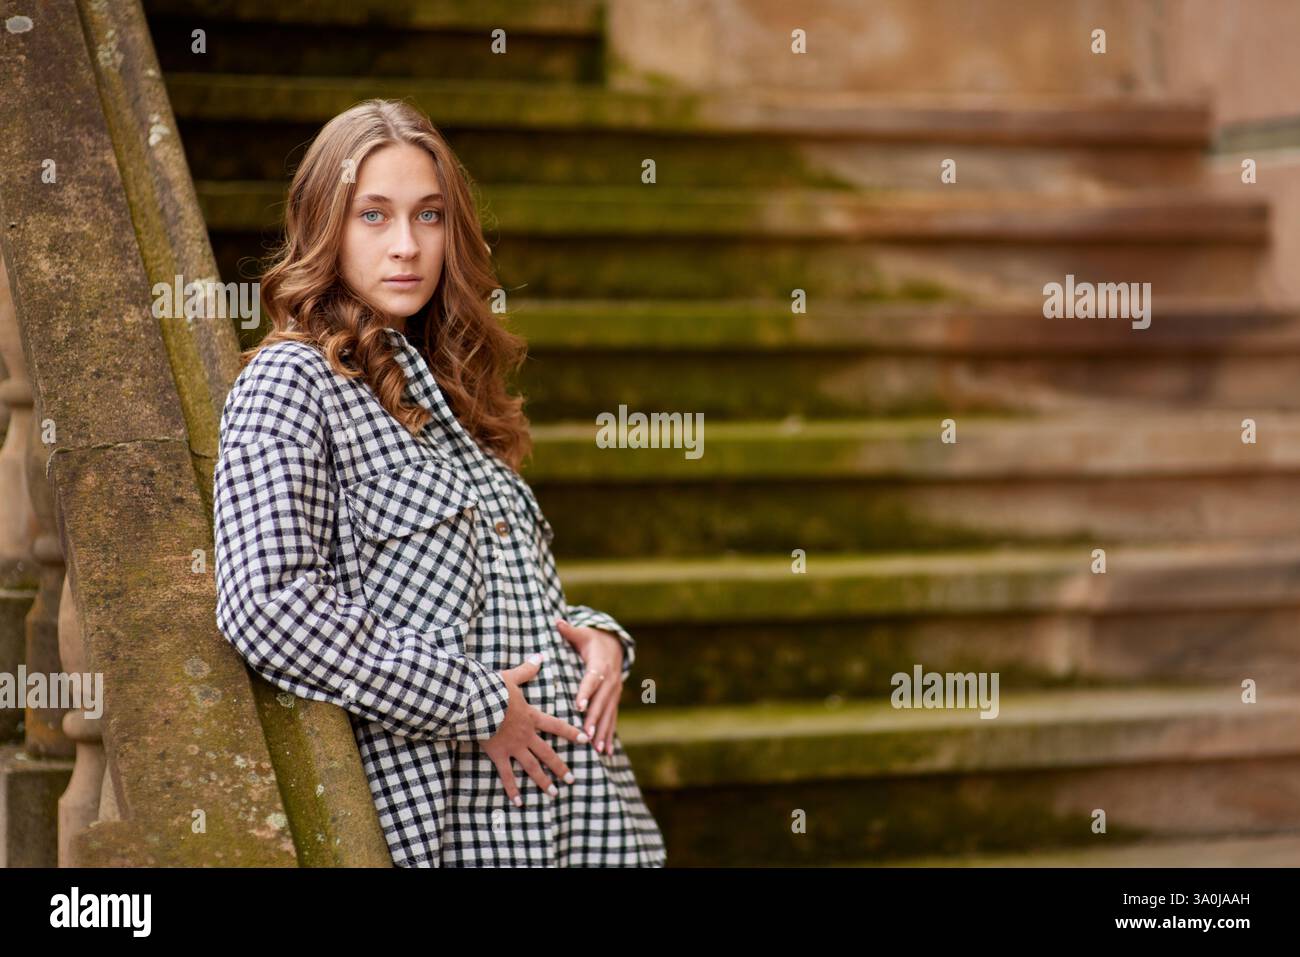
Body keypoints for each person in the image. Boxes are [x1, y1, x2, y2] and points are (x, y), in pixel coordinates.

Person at [212, 98, 667, 867]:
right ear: (326, 225)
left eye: (428, 217)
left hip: (582, 815)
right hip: (461, 823)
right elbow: (268, 604)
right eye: (374, 216)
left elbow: (482, 598)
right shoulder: (294, 384)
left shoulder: (450, 389)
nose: (406, 246)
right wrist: (477, 704)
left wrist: (594, 637)